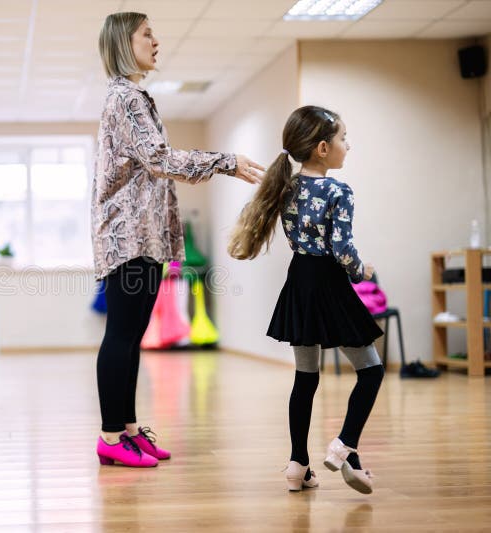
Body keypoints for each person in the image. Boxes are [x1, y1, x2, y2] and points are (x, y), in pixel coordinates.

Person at [92, 12, 265, 468]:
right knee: (121, 336)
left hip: (144, 238)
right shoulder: (125, 99)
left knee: (131, 339)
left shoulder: (135, 98)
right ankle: (111, 436)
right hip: (127, 239)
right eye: (147, 33)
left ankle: (126, 430)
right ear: (123, 43)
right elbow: (159, 158)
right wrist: (225, 161)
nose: (156, 40)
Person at [229, 106, 384, 494]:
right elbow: (341, 247)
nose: (348, 145)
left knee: (305, 377)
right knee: (371, 370)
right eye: (343, 139)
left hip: (299, 280)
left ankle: (298, 464)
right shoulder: (338, 191)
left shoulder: (286, 187)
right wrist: (360, 270)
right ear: (321, 148)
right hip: (330, 284)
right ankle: (345, 444)